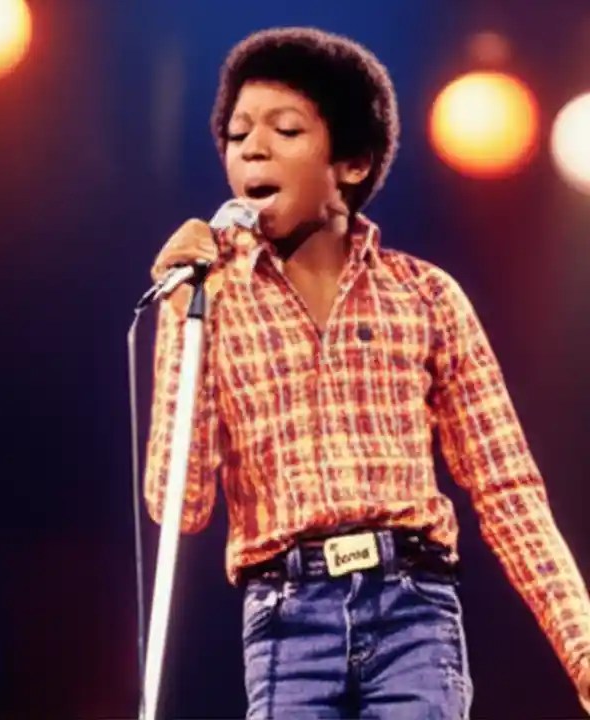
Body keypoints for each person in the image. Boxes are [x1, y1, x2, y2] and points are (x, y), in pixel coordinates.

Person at [143, 26, 590, 719]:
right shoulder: (209, 301)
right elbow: (181, 505)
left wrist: (582, 646)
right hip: (285, 618)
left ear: (350, 162)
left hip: (413, 608)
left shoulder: (426, 295)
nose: (252, 147)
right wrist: (183, 313)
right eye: (236, 136)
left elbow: (506, 487)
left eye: (284, 129)